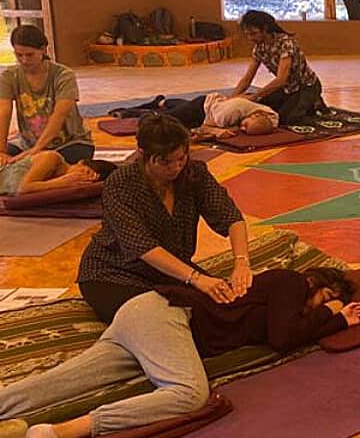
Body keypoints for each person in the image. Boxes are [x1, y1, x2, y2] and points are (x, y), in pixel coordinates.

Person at [0, 266, 360, 438]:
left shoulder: (290, 300)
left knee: (63, 381)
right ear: (315, 281)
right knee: (190, 393)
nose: (320, 304)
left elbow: (287, 331)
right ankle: (56, 433)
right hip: (168, 316)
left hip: (148, 321)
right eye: (327, 295)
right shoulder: (292, 282)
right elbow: (283, 338)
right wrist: (335, 316)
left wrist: (331, 315)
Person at [75, 114, 252, 324]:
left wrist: (241, 263)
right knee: (157, 319)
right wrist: (196, 278)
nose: (175, 167)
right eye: (165, 162)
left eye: (181, 158)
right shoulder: (121, 184)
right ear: (142, 153)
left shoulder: (193, 173)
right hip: (111, 273)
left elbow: (231, 217)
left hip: (168, 271)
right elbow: (142, 247)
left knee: (223, 306)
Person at [0, 25, 94, 166]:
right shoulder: (9, 76)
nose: (24, 60)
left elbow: (59, 115)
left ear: (43, 50)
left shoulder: (63, 76)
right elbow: (4, 111)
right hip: (27, 144)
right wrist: (1, 151)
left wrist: (37, 150)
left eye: (29, 55)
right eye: (19, 55)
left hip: (69, 144)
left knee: (47, 162)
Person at [231, 10, 325, 124]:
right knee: (261, 108)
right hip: (287, 88)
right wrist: (232, 98)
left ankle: (314, 102)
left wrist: (254, 96)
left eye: (254, 34)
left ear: (265, 29)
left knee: (287, 119)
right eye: (247, 35)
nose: (251, 38)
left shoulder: (285, 43)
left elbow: (281, 80)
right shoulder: (259, 48)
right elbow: (247, 78)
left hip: (306, 86)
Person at [109, 93, 279, 139]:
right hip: (203, 108)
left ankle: (161, 102)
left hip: (209, 104)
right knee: (162, 121)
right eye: (245, 125)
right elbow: (206, 126)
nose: (241, 128)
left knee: (181, 108)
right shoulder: (229, 113)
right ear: (254, 115)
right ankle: (134, 112)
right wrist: (215, 132)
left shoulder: (271, 117)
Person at [0, 152, 116, 196]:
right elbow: (24, 188)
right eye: (85, 172)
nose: (79, 178)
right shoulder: (52, 158)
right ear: (81, 162)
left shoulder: (59, 187)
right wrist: (62, 182)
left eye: (87, 180)